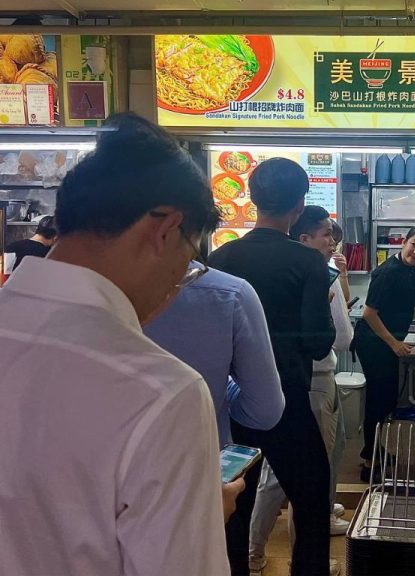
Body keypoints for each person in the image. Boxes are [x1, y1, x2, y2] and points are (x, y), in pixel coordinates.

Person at [0, 113, 239, 576]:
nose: (179, 282)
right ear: (166, 230)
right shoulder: (163, 392)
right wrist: (199, 517)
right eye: (189, 260)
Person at [208, 158, 336, 576]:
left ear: (252, 198)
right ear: (299, 206)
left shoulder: (222, 257)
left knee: (233, 505)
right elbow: (319, 344)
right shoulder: (308, 263)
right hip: (288, 403)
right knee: (313, 501)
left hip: (232, 406)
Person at [143, 261, 286, 576]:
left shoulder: (58, 301)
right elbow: (264, 411)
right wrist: (223, 386)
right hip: (203, 481)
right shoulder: (229, 292)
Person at [249, 207, 353, 575]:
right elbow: (337, 337)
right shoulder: (311, 275)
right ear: (303, 237)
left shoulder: (323, 272)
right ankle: (263, 554)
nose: (332, 241)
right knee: (285, 479)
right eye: (326, 234)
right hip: (310, 382)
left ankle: (277, 551)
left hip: (321, 378)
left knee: (304, 472)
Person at [353, 225, 415, 481]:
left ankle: (377, 450)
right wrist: (393, 343)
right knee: (378, 401)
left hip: (385, 343)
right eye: (414, 244)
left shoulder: (408, 269)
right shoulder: (387, 272)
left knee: (387, 400)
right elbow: (369, 314)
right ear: (404, 242)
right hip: (374, 343)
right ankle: (369, 462)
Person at [330, 219, 351, 305]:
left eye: (336, 243)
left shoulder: (332, 264)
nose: (334, 248)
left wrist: (343, 271)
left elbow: (345, 298)